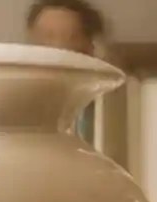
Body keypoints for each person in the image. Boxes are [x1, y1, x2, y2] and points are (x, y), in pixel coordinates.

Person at [25, 0, 106, 142]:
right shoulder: (15, 107)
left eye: (67, 47)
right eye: (45, 42)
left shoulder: (107, 109)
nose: (54, 53)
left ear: (90, 49)